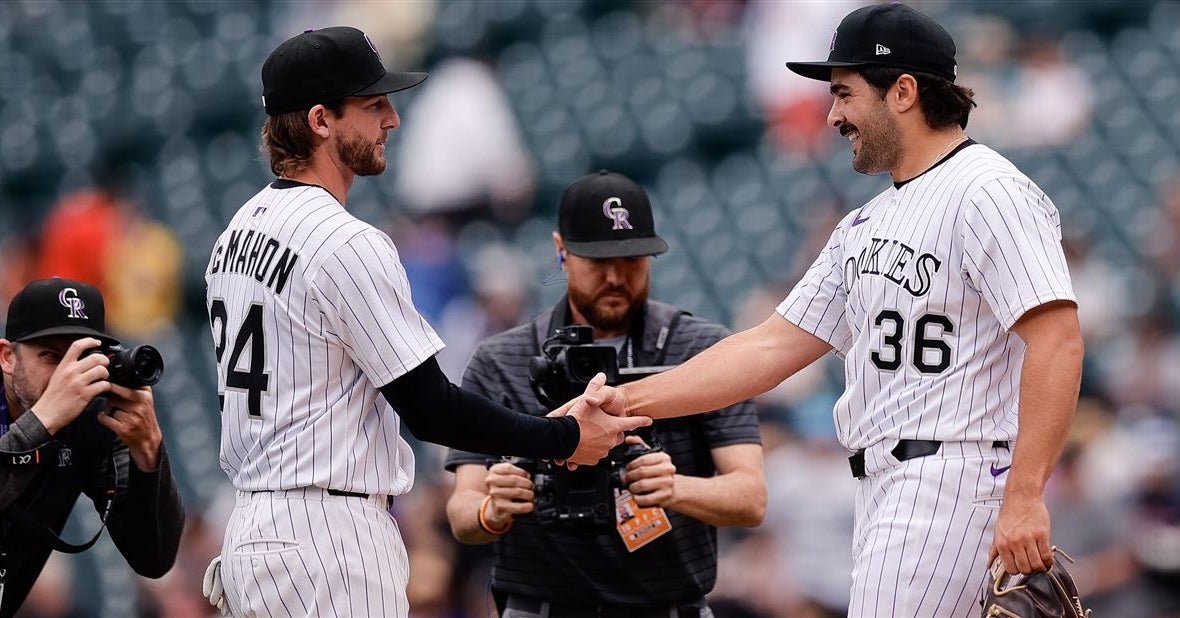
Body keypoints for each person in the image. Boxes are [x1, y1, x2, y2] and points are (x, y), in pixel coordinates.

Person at [593, 5, 1084, 617]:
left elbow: (1058, 339)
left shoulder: (988, 191)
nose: (833, 115)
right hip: (887, 486)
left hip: (951, 477)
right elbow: (770, 347)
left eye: (845, 93)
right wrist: (625, 404)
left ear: (902, 91)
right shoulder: (865, 223)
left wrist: (1026, 496)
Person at [201, 27, 647, 617]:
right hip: (327, 538)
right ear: (319, 120)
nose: (392, 119)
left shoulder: (232, 235)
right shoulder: (343, 240)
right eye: (372, 104)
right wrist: (564, 439)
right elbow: (431, 406)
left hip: (256, 528)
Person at [444, 170, 766, 618]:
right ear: (561, 252)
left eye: (632, 258)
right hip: (540, 604)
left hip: (668, 603)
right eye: (597, 260)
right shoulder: (503, 359)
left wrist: (672, 488)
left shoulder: (698, 349)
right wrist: (491, 510)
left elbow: (750, 498)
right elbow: (462, 512)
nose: (616, 276)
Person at [0, 277, 184, 617]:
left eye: (82, 357)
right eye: (52, 356)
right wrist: (40, 424)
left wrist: (149, 456)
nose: (68, 377)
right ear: (8, 357)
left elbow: (153, 558)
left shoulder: (91, 421)